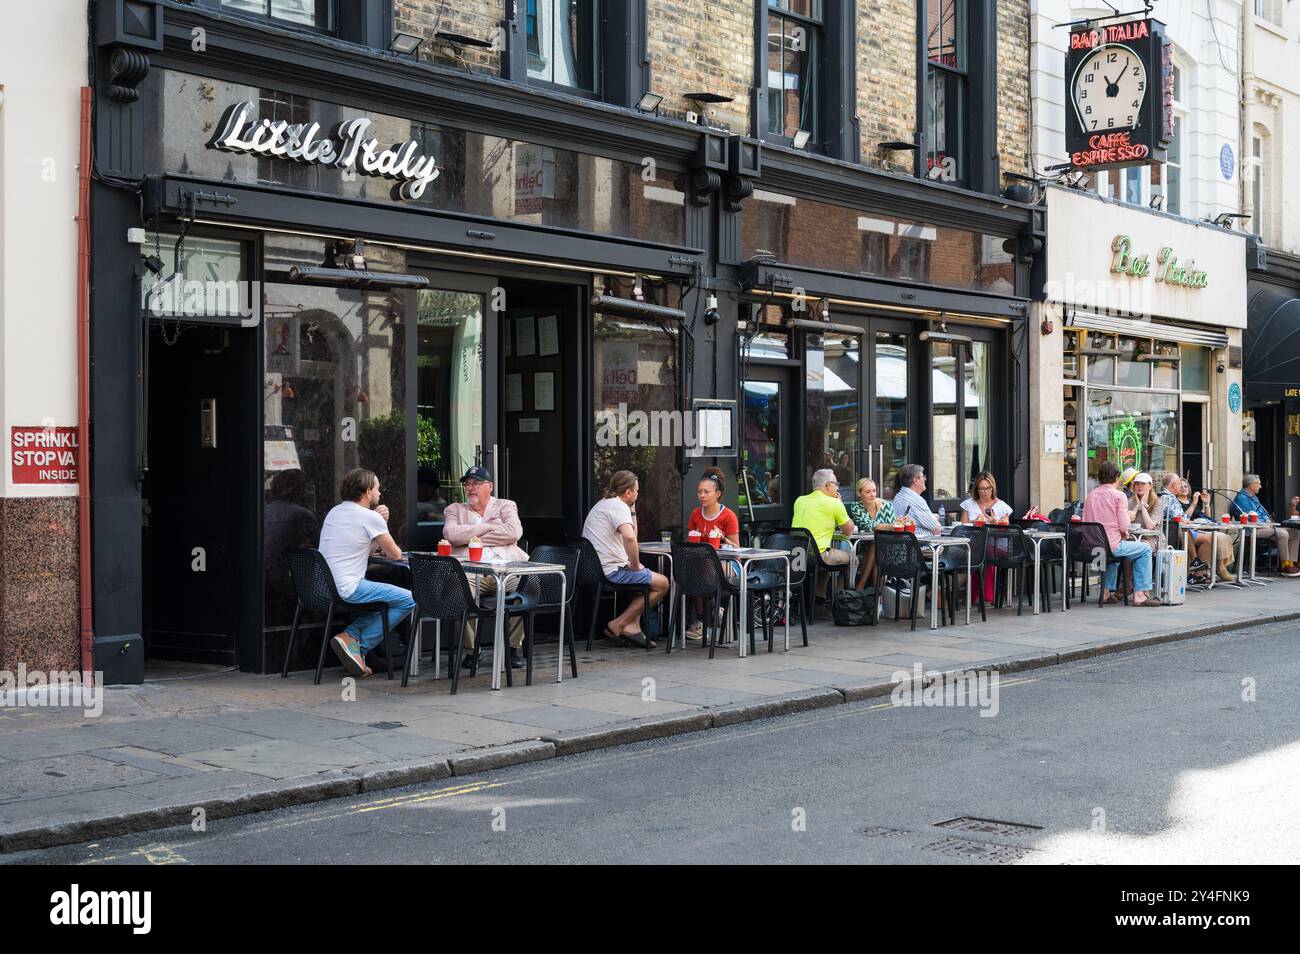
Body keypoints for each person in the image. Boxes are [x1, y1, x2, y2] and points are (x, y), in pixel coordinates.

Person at [317, 468, 416, 676]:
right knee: (409, 599)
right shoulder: (370, 517)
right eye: (378, 489)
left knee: (382, 602)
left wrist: (378, 526)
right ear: (368, 492)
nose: (380, 493)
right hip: (348, 588)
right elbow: (395, 555)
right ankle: (356, 644)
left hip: (322, 588)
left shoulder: (335, 512)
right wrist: (381, 523)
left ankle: (351, 640)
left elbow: (365, 548)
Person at [442, 466, 530, 670]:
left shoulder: (506, 506)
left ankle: (512, 647)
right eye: (467, 484)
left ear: (490, 486)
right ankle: (473, 650)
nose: (470, 488)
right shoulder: (455, 509)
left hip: (506, 570)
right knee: (458, 592)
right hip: (472, 572)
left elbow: (514, 533)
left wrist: (470, 537)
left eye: (476, 483)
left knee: (525, 588)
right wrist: (487, 527)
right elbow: (451, 535)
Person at [582, 470, 670, 648]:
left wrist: (633, 510)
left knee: (645, 579)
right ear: (628, 492)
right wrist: (635, 565)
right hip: (609, 572)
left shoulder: (605, 504)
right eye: (636, 490)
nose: (638, 494)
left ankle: (633, 626)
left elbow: (632, 536)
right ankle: (620, 624)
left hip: (594, 571)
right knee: (662, 583)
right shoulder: (616, 506)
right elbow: (629, 538)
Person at [1082, 461, 1161, 606]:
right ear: (1117, 477)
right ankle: (1140, 595)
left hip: (1092, 547)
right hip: (1110, 547)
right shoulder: (1119, 496)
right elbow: (1125, 525)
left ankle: (1106, 592)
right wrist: (1128, 520)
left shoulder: (1091, 495)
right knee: (1145, 549)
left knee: (1112, 555)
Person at [684, 467, 741, 639]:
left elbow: (737, 549)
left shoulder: (728, 516)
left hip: (729, 565)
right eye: (699, 491)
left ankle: (713, 610)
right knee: (689, 572)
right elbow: (691, 541)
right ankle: (704, 618)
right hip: (701, 563)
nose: (702, 495)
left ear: (717, 493)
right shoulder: (695, 514)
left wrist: (722, 538)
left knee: (701, 572)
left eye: (706, 492)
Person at [792, 468, 856, 599]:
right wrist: (839, 504)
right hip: (818, 556)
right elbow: (849, 530)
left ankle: (819, 600)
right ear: (828, 485)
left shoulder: (799, 500)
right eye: (836, 484)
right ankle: (842, 600)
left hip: (797, 556)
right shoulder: (834, 503)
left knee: (828, 555)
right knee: (853, 559)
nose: (837, 488)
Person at [1163, 474, 1234, 583]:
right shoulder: (1175, 500)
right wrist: (1194, 506)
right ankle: (1216, 567)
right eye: (1180, 485)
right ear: (1174, 485)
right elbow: (1182, 519)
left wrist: (1206, 504)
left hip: (1195, 529)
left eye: (1185, 486)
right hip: (1186, 530)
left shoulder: (1189, 501)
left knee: (1216, 539)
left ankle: (1199, 574)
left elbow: (1205, 517)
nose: (1182, 488)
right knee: (1215, 538)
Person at [1234, 474, 1300, 576]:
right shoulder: (1242, 498)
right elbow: (1250, 517)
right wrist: (1266, 523)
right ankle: (1284, 565)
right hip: (1252, 530)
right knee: (1282, 533)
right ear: (1251, 486)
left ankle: (1292, 563)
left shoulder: (1254, 497)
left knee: (1295, 532)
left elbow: (1263, 513)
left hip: (1263, 528)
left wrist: (1268, 521)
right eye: (1259, 484)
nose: (1260, 486)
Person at [847, 477, 894, 590]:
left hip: (889, 547)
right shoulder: (856, 507)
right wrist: (892, 526)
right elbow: (870, 526)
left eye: (874, 491)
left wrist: (894, 525)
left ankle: (862, 587)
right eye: (868, 492)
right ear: (859, 493)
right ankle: (879, 593)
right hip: (864, 550)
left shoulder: (886, 506)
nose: (872, 494)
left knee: (877, 546)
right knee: (876, 545)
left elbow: (894, 530)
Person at [892, 463, 941, 534]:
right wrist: (934, 518)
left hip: (904, 542)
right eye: (923, 476)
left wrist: (932, 517)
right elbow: (937, 528)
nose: (925, 479)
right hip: (922, 544)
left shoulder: (898, 496)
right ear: (915, 480)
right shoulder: (916, 501)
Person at [1127, 472, 1161, 554]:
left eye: (1143, 484)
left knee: (1135, 550)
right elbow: (1125, 523)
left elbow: (1150, 526)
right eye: (1137, 484)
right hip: (1132, 537)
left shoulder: (1157, 502)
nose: (1140, 486)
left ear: (1150, 486)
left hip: (1150, 538)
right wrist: (1136, 506)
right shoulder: (1130, 502)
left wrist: (1142, 506)